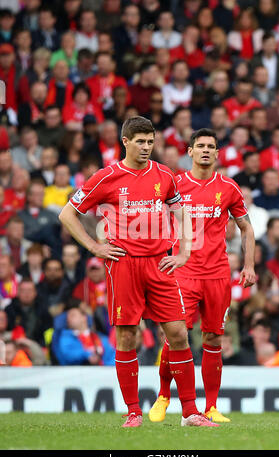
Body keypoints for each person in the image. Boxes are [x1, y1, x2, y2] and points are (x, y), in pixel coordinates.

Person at [59, 115, 218, 428]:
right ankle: (133, 412)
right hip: (124, 265)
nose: (146, 147)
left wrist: (184, 251)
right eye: (140, 141)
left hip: (160, 262)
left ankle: (190, 413)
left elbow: (179, 210)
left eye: (150, 141)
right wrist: (94, 247)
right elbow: (68, 214)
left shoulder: (164, 174)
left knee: (178, 334)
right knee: (127, 336)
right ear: (125, 142)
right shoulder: (106, 177)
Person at [148, 128, 256, 423]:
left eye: (211, 146)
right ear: (190, 151)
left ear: (218, 153)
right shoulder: (176, 185)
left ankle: (210, 407)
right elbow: (154, 222)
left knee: (213, 339)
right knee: (176, 335)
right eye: (200, 146)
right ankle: (163, 395)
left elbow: (246, 228)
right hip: (183, 272)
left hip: (218, 274)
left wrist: (249, 266)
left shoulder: (229, 188)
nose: (206, 150)